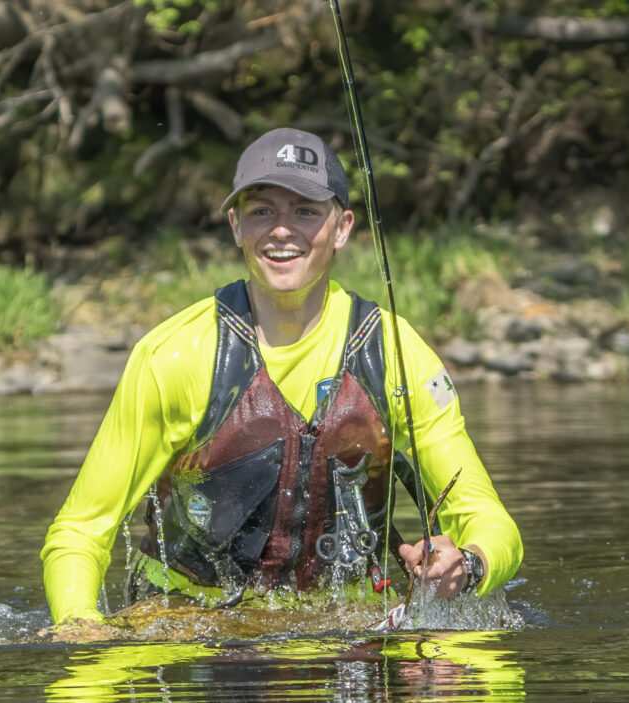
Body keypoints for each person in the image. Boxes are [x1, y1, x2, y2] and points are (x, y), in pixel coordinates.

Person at [41, 127, 523, 630]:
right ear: (235, 225)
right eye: (262, 211)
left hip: (349, 629)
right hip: (191, 633)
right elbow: (79, 532)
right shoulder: (173, 356)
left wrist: (466, 567)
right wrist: (81, 630)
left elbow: (490, 522)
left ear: (342, 228)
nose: (282, 230)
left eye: (306, 211)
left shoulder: (397, 355)